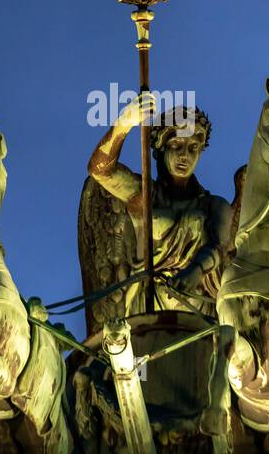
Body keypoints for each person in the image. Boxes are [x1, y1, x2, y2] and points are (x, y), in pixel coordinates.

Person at [87, 92, 232, 316]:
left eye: (193, 148)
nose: (185, 155)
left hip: (198, 307)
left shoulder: (215, 206)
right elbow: (100, 170)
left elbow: (219, 246)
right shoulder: (144, 195)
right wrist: (126, 121)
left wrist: (195, 271)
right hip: (147, 306)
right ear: (160, 149)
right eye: (176, 145)